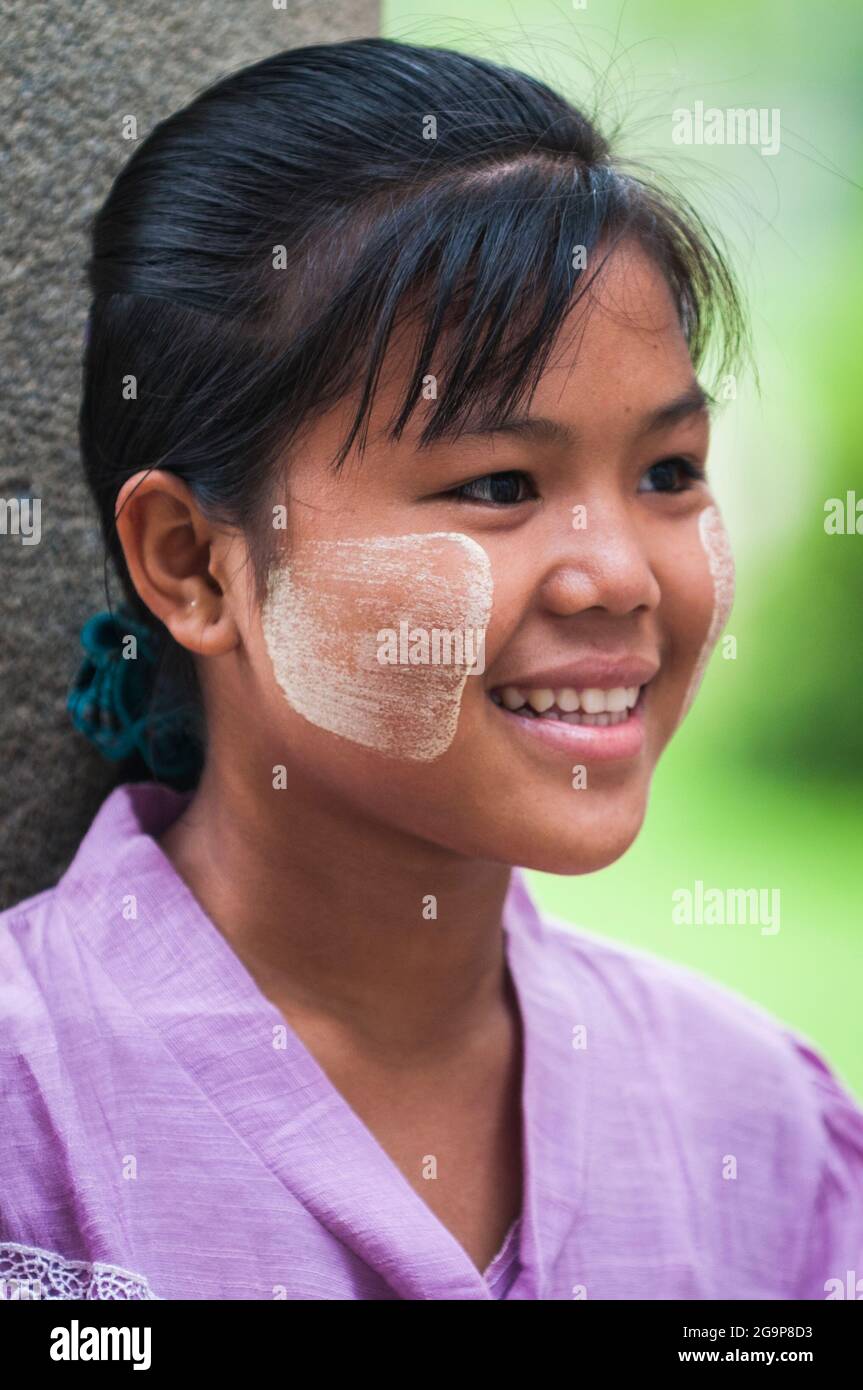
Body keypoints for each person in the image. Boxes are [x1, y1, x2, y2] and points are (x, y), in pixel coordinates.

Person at [1, 37, 861, 1302]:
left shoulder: (762, 1131)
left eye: (667, 472)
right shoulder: (35, 1119)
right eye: (499, 485)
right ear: (192, 563)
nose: (617, 575)